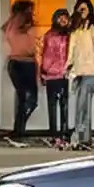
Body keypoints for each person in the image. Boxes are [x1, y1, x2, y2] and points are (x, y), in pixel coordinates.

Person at [66, 0, 94, 151]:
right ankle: (80, 137)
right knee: (78, 106)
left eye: (84, 8)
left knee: (84, 106)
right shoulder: (75, 29)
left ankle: (84, 138)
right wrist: (68, 67)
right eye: (79, 9)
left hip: (90, 72)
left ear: (90, 10)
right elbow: (72, 50)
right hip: (78, 72)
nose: (82, 11)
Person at [2, 0, 39, 144]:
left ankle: (18, 130)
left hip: (18, 63)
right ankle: (18, 130)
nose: (32, 13)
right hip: (24, 63)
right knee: (30, 99)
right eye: (30, 10)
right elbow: (28, 47)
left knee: (23, 98)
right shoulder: (21, 25)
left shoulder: (12, 25)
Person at [37, 8, 72, 149]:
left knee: (64, 105)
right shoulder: (49, 36)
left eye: (65, 18)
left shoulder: (70, 36)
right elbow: (43, 54)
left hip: (65, 75)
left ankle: (64, 133)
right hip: (51, 75)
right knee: (52, 106)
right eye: (60, 18)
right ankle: (54, 134)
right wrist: (43, 72)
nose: (63, 21)